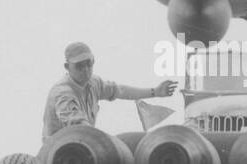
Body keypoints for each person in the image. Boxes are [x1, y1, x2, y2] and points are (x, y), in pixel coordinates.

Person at [42, 42, 177, 142]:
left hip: (82, 145)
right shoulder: (63, 93)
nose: (86, 69)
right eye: (79, 66)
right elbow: (79, 126)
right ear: (67, 67)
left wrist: (156, 92)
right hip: (58, 155)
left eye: (89, 63)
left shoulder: (93, 83)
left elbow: (120, 91)